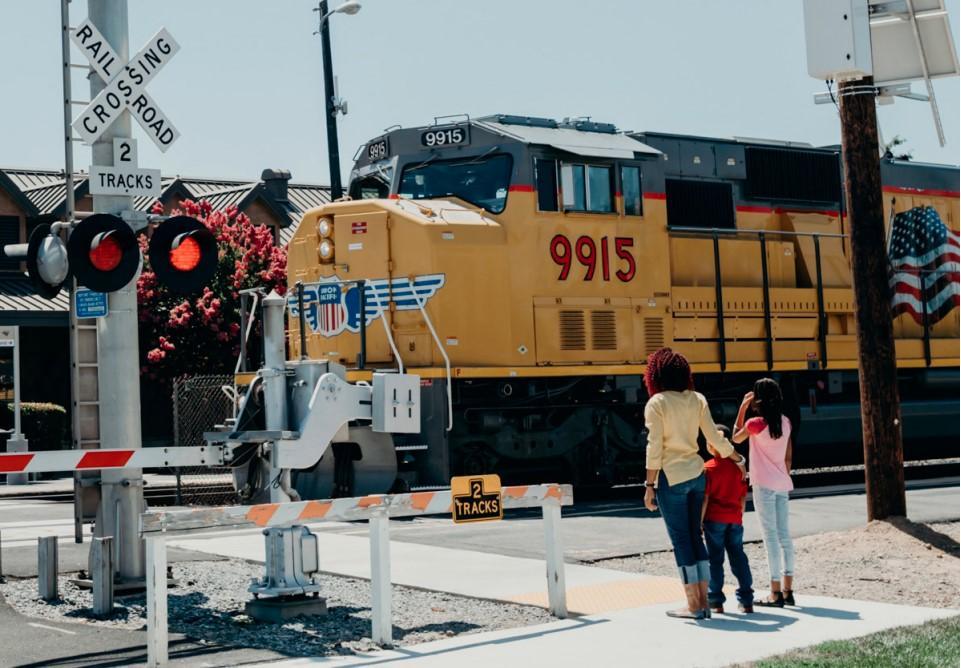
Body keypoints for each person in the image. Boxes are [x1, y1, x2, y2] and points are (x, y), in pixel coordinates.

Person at [643, 347, 747, 620]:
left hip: (672, 478)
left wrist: (649, 485)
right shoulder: (697, 399)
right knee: (695, 536)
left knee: (681, 541)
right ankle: (704, 604)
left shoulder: (657, 403)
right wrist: (737, 458)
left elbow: (654, 447)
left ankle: (693, 605)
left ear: (654, 376)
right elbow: (713, 437)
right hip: (696, 475)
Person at [733, 378, 796, 608]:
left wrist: (742, 408)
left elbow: (735, 437)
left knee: (770, 538)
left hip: (764, 486)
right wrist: (782, 474)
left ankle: (774, 592)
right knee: (785, 536)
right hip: (782, 484)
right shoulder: (785, 422)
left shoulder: (755, 423)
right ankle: (788, 590)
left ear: (758, 399)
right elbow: (788, 457)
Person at [702, 434, 754, 614]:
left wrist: (699, 522)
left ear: (711, 445)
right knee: (738, 557)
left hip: (714, 519)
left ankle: (716, 601)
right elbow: (742, 497)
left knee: (714, 559)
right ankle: (746, 601)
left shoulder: (708, 468)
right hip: (734, 518)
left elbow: (705, 499)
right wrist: (739, 516)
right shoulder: (739, 468)